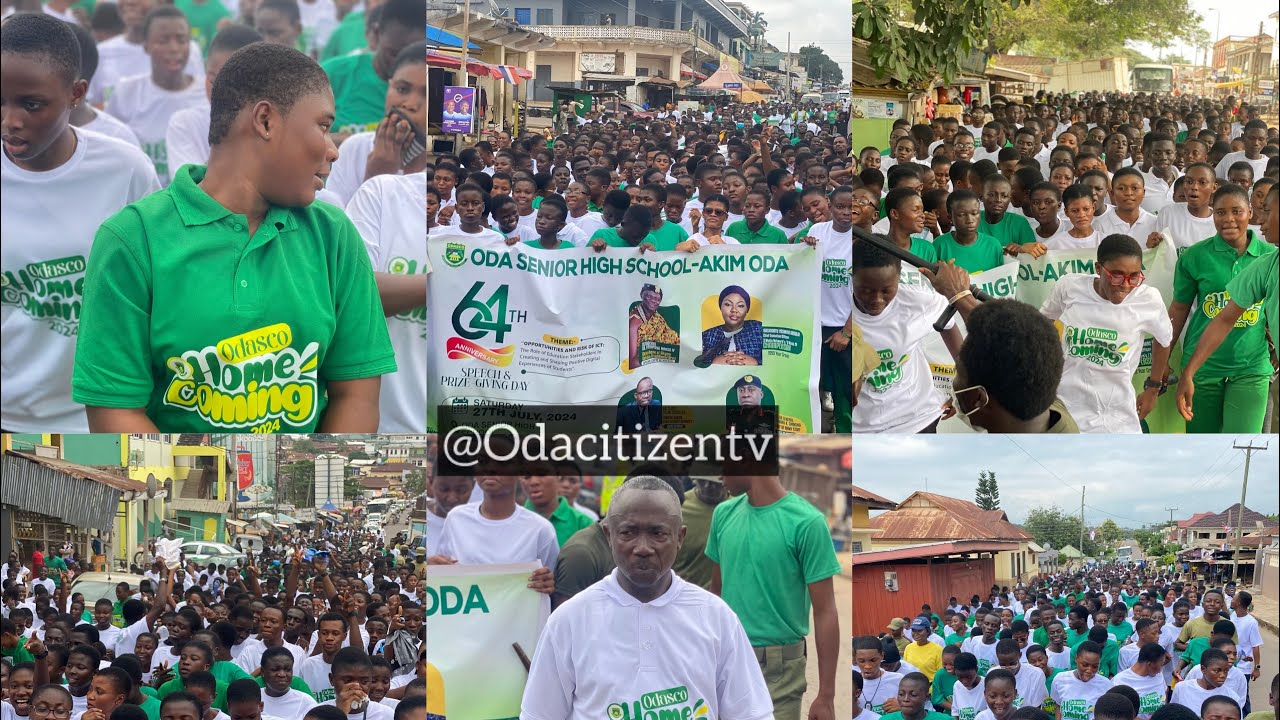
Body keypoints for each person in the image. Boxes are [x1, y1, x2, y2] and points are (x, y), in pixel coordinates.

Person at [71, 42, 398, 432]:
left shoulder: (334, 236)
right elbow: (114, 410)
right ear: (265, 121)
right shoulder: (131, 239)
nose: (333, 150)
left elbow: (356, 396)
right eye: (324, 127)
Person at [1, 12, 161, 434]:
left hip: (100, 418)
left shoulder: (126, 170)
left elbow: (158, 292)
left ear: (76, 93)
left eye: (31, 104)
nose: (10, 120)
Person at [519, 477, 775, 719]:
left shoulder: (715, 617)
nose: (642, 547)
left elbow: (751, 712)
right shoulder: (569, 620)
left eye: (658, 533)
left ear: (680, 537)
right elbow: (539, 713)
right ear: (608, 535)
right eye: (628, 533)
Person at [707, 467, 842, 720]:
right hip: (725, 661)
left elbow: (825, 611)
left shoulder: (807, 523)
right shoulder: (723, 514)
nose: (719, 473)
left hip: (780, 674)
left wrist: (826, 696)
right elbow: (716, 595)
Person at [1166, 184, 1275, 433]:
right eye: (1220, 212)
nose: (1229, 219)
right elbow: (1179, 310)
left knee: (1244, 449)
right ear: (1212, 214)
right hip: (1203, 366)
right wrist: (1165, 360)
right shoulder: (1195, 256)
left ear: (1250, 212)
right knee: (1205, 448)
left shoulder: (1269, 256)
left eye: (1237, 211)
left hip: (1251, 366)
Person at [1039, 234, 1173, 433]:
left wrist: (1153, 388)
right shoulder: (1070, 287)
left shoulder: (1148, 299)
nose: (1126, 285)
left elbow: (1163, 341)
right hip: (1067, 408)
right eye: (1116, 275)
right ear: (1098, 269)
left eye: (1134, 276)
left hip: (1117, 416)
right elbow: (1044, 322)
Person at [849, 238, 961, 433]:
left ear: (899, 278)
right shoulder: (835, 309)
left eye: (887, 290)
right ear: (852, 277)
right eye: (865, 290)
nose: (877, 300)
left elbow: (949, 324)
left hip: (917, 419)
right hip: (861, 428)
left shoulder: (918, 302)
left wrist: (962, 388)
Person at [699, 285, 764, 367]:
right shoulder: (707, 335)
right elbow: (695, 363)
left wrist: (754, 362)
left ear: (747, 309)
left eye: (740, 306)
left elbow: (774, 361)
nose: (734, 310)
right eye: (728, 304)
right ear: (720, 307)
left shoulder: (758, 329)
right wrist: (716, 362)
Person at [1050, 641, 1112, 720]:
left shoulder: (1106, 685)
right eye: (1085, 665)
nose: (1089, 670)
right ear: (1076, 659)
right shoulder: (1060, 679)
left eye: (1095, 666)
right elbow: (1059, 706)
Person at [627, 283, 679, 369]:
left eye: (657, 299)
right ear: (641, 295)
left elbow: (670, 335)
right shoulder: (634, 322)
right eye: (649, 296)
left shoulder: (656, 316)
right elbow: (632, 363)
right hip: (647, 367)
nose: (653, 301)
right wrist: (658, 355)